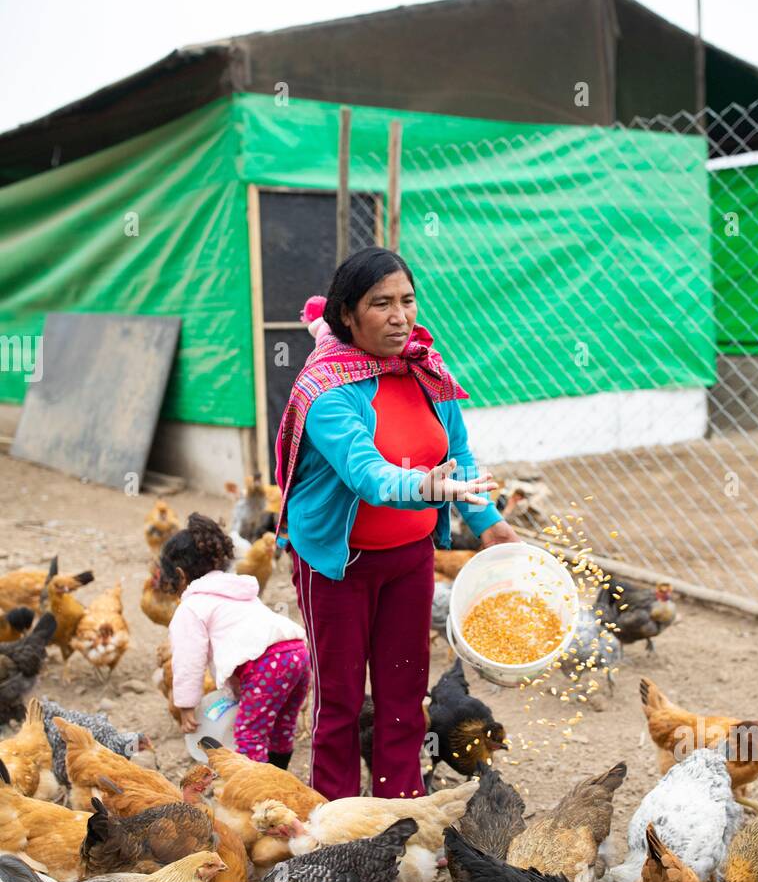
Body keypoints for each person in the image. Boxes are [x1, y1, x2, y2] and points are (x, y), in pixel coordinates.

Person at [274, 246, 519, 802]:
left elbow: (458, 452)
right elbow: (369, 475)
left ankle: (399, 807)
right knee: (339, 701)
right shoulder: (326, 389)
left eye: (406, 301)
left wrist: (487, 522)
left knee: (405, 695)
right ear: (347, 316)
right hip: (339, 563)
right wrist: (424, 487)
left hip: (410, 559)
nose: (399, 316)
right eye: (380, 303)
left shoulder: (426, 369)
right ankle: (338, 820)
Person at [162, 513, 310, 765]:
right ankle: (280, 780)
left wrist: (186, 704)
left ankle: (255, 794)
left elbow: (189, 660)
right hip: (297, 653)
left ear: (179, 574)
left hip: (267, 664)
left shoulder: (191, 607)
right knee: (281, 726)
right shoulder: (236, 589)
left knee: (249, 735)